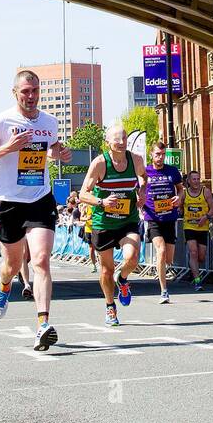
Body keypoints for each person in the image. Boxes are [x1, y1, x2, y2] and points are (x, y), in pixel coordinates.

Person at [0, 71, 72, 351]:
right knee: (13, 265)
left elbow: (51, 148)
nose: (31, 96)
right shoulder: (1, 122)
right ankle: (3, 287)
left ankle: (43, 325)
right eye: (26, 91)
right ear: (15, 93)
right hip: (10, 202)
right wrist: (6, 148)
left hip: (40, 199)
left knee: (40, 260)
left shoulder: (49, 122)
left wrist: (60, 153)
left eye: (35, 91)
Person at [79, 124, 146, 326]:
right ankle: (110, 307)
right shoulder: (100, 163)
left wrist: (142, 192)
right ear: (107, 142)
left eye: (124, 138)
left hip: (128, 219)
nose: (121, 142)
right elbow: (83, 194)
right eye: (117, 139)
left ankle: (123, 279)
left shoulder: (135, 160)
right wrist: (102, 202)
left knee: (133, 257)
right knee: (106, 270)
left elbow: (144, 177)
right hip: (103, 222)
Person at [142, 142, 185, 304]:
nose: (160, 157)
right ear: (151, 154)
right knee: (160, 251)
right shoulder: (145, 172)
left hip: (169, 217)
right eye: (157, 154)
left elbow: (180, 189)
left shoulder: (172, 171)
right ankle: (164, 291)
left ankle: (164, 271)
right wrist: (141, 203)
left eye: (162, 154)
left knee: (169, 258)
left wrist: (178, 198)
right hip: (153, 217)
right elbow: (138, 190)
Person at [180, 169, 213, 289]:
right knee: (193, 252)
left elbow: (212, 209)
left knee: (201, 256)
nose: (196, 181)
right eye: (193, 179)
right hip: (189, 226)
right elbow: (180, 208)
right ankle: (197, 280)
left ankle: (194, 269)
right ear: (188, 181)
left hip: (202, 227)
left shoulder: (205, 192)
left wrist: (206, 217)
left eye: (197, 179)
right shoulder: (185, 194)